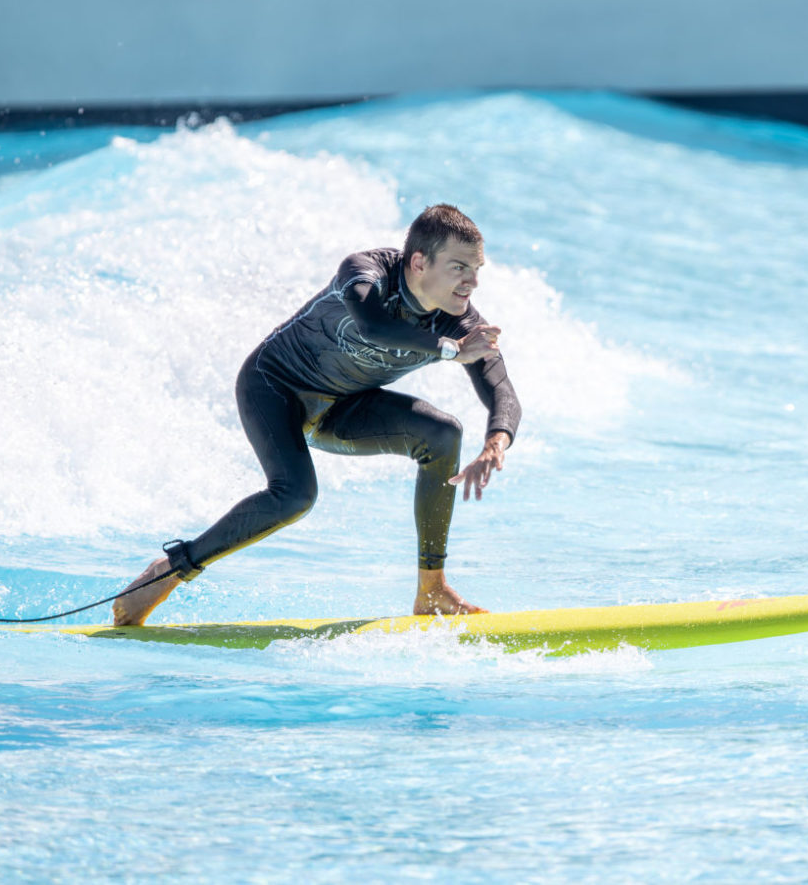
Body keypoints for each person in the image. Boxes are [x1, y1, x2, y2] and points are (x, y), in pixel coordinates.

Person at [112, 203, 520, 625]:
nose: (472, 282)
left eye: (477, 270)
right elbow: (374, 327)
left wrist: (497, 439)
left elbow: (502, 389)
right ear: (419, 262)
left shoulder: (461, 322)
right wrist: (452, 350)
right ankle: (167, 573)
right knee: (294, 494)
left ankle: (432, 590)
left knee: (443, 435)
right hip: (275, 387)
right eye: (459, 268)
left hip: (342, 408)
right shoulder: (365, 273)